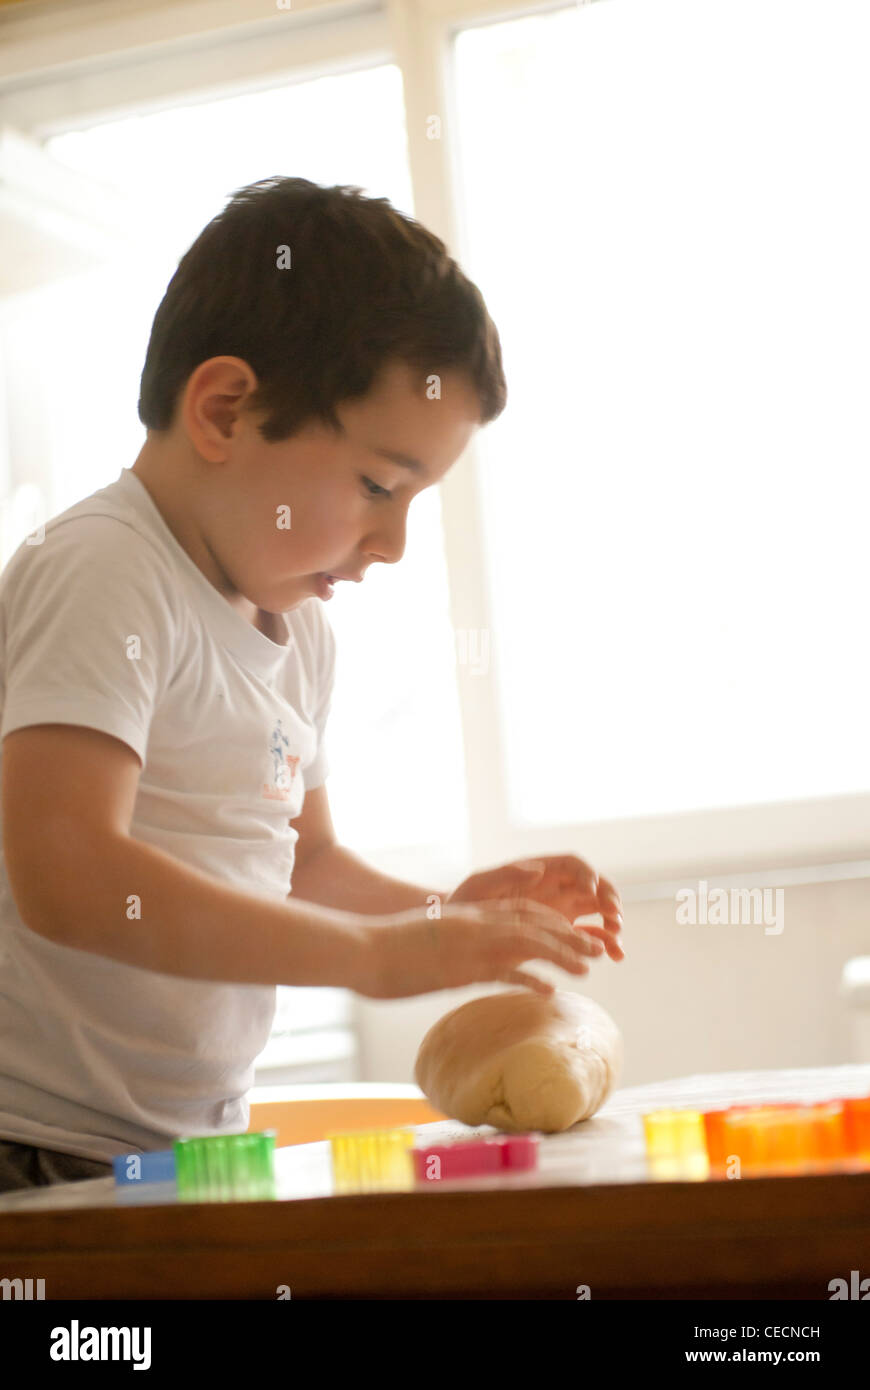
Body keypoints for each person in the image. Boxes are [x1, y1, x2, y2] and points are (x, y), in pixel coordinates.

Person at [0, 177, 623, 1192]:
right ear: (224, 408)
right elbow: (67, 874)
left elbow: (305, 863)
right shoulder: (103, 570)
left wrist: (438, 920)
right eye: (380, 485)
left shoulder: (299, 632)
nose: (393, 543)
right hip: (30, 1148)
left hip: (182, 1150)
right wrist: (369, 961)